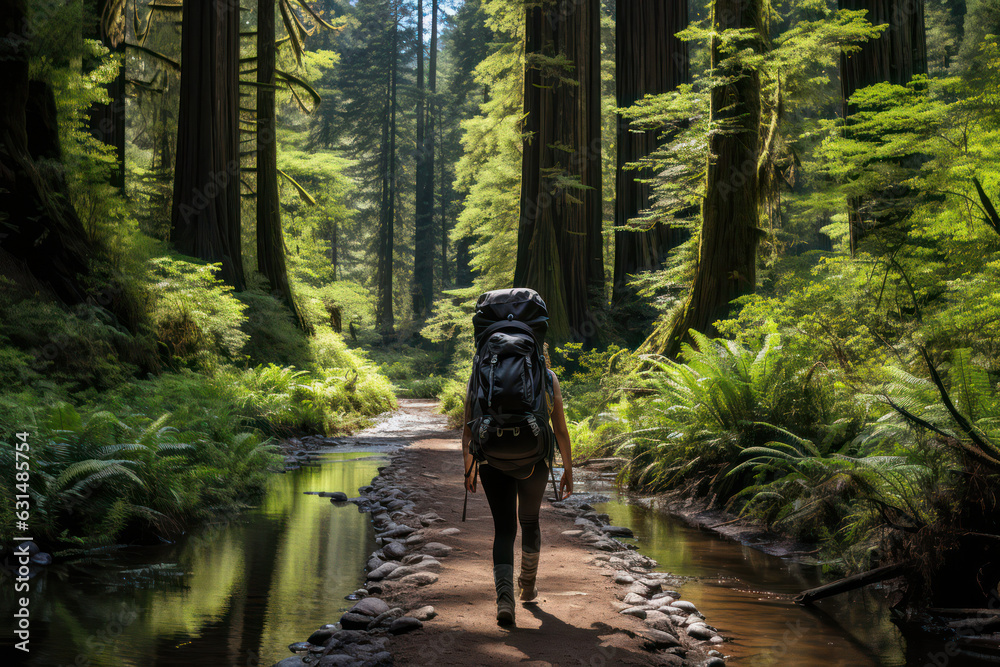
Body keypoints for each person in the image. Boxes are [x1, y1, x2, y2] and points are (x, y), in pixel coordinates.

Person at [461, 345, 573, 626]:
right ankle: (527, 586)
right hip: (534, 458)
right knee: (530, 521)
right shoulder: (548, 377)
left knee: (504, 529)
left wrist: (468, 467)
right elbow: (559, 428)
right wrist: (568, 468)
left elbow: (468, 426)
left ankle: (504, 602)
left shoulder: (480, 374)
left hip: (491, 457)